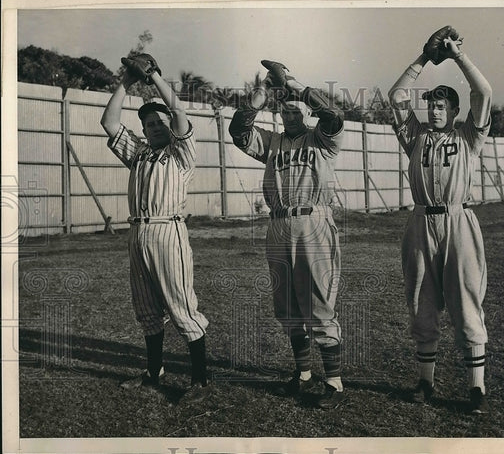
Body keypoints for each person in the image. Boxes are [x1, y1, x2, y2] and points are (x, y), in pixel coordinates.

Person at [229, 60, 345, 409]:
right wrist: (264, 89)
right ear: (278, 112)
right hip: (279, 223)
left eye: (297, 107)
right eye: (286, 108)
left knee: (319, 304)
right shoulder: (272, 142)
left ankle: (334, 383)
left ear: (305, 111)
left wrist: (293, 85)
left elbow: (334, 116)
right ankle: (303, 373)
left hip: (313, 220)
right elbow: (238, 131)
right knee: (288, 306)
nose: (291, 113)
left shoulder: (322, 139)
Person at [388, 28, 493, 414]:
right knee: (421, 301)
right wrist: (423, 57)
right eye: (430, 103)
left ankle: (476, 388)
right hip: (420, 223)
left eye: (441, 104)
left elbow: (483, 94)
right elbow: (396, 97)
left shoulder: (468, 137)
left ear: (453, 111)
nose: (434, 109)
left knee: (466, 301)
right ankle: (425, 382)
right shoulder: (414, 137)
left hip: (459, 222)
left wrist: (456, 56)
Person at [100, 55, 209, 403]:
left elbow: (179, 113)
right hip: (138, 233)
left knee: (182, 308)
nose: (155, 127)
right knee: (146, 310)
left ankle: (200, 381)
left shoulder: (180, 154)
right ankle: (154, 373)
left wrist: (155, 77)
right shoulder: (140, 154)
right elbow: (109, 121)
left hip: (168, 231)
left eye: (159, 122)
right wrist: (127, 81)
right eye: (148, 124)